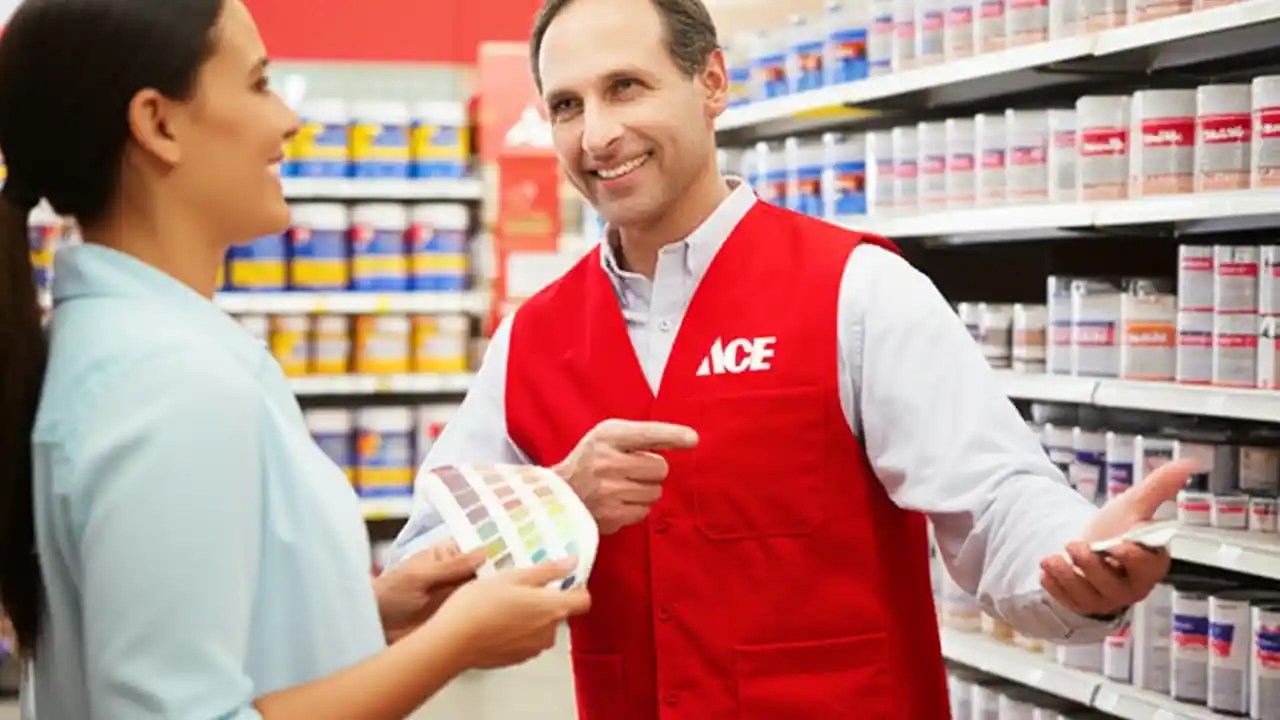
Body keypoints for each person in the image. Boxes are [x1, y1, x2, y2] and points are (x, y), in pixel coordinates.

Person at [389, 0, 1195, 717]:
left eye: (626, 86)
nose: (597, 133)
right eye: (567, 104)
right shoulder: (534, 337)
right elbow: (428, 572)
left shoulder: (858, 289)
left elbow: (993, 497)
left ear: (711, 85)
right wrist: (557, 502)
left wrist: (1078, 561)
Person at [0, 1, 590, 718]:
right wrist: (455, 643)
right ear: (157, 123)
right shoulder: (167, 385)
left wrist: (362, 610)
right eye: (257, 84)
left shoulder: (122, 352)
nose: (287, 119)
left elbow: (168, 642)